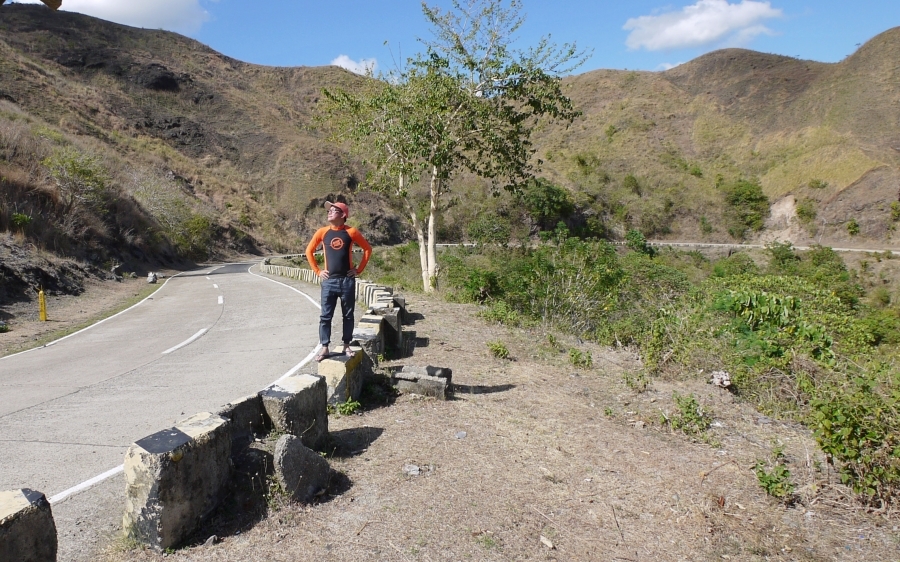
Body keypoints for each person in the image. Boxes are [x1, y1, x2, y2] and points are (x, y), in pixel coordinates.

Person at [305, 201, 372, 361]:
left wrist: (358, 270)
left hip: (347, 281)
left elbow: (367, 249)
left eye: (334, 210)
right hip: (329, 282)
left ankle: (346, 346)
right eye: (329, 210)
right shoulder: (322, 232)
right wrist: (318, 271)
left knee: (348, 315)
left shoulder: (351, 232)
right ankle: (325, 347)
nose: (329, 212)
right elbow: (309, 251)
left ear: (343, 215)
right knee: (325, 316)